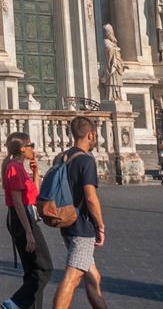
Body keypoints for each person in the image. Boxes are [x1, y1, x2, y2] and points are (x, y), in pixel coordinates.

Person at [51, 116, 108, 309]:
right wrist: (100, 225)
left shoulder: (61, 157)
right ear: (90, 135)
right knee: (72, 278)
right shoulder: (86, 161)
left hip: (65, 222)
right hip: (82, 228)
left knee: (93, 277)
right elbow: (90, 197)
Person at [0, 132, 52, 309]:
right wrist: (29, 232)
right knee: (45, 268)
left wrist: (35, 173)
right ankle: (15, 303)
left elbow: (33, 195)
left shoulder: (19, 168)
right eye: (31, 145)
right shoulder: (14, 168)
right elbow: (17, 202)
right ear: (23, 148)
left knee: (33, 271)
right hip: (22, 219)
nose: (33, 149)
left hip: (25, 217)